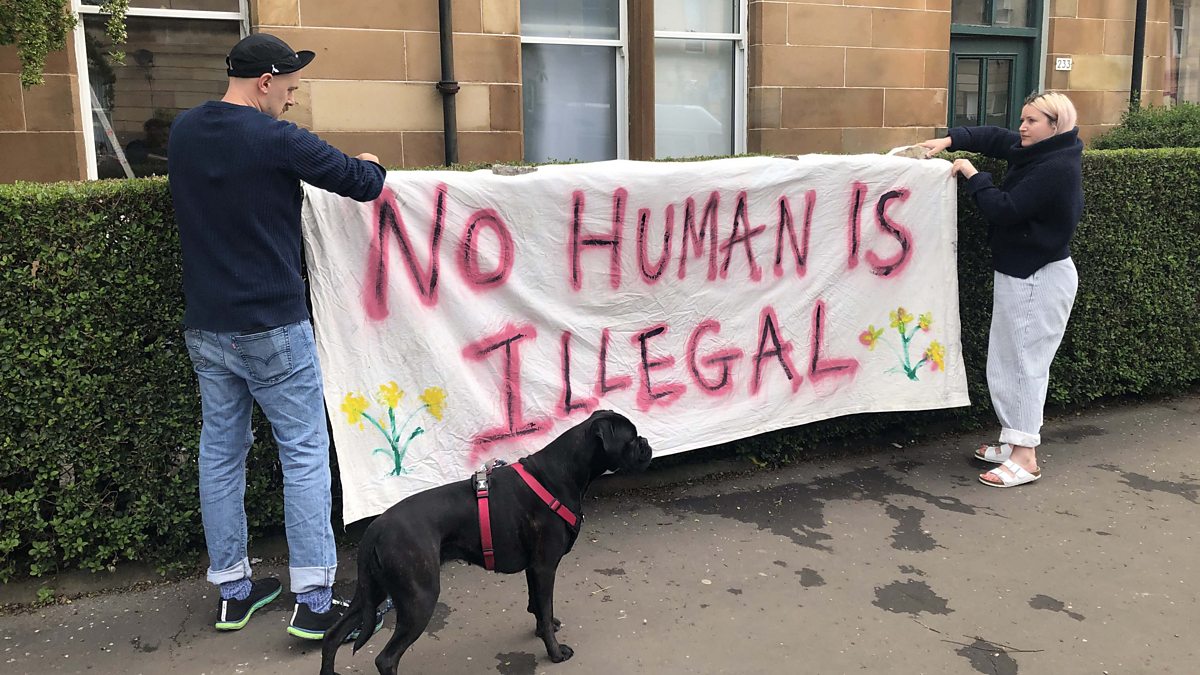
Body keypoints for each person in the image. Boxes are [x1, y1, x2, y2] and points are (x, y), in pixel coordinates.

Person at [167, 33, 386, 637]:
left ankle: (233, 590)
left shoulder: (183, 132)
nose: (292, 100)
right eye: (289, 88)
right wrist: (372, 164)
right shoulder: (275, 139)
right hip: (273, 327)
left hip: (207, 327)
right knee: (304, 455)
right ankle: (314, 601)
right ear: (265, 81)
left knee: (221, 454)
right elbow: (361, 183)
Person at [917, 92, 1083, 489]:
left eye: (1031, 121)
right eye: (1022, 119)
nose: (1022, 128)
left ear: (1055, 125)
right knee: (1008, 361)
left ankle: (1025, 458)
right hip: (1024, 272)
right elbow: (996, 137)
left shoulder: (1056, 166)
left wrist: (975, 176)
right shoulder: (1041, 151)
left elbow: (1005, 209)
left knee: (1023, 364)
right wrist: (951, 139)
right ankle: (1014, 441)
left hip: (1037, 276)